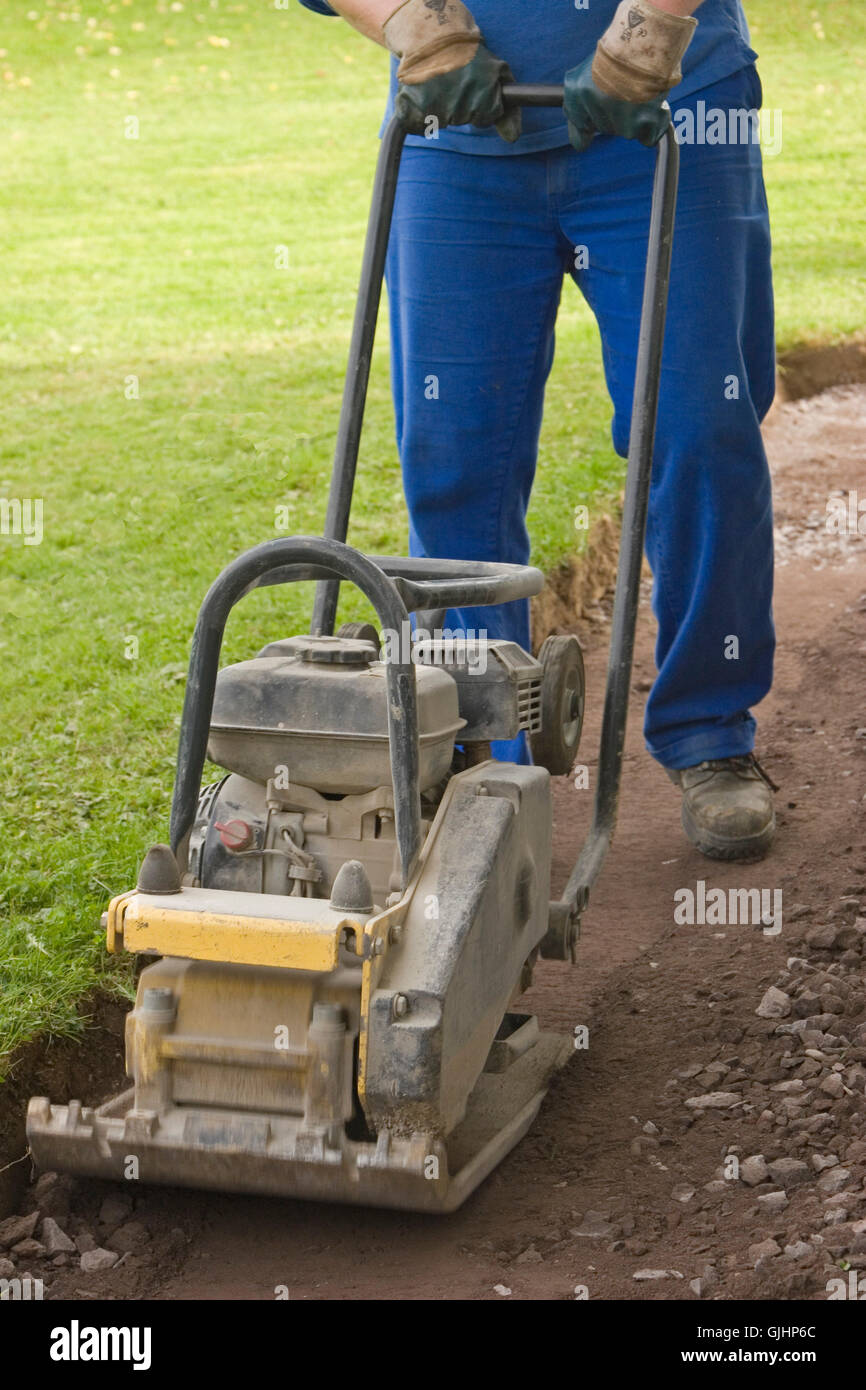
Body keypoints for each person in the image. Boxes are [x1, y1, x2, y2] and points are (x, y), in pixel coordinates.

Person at [297, 0, 778, 862]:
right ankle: (479, 753)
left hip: (670, 106)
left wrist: (654, 28)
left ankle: (710, 732)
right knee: (453, 457)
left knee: (697, 430)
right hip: (459, 130)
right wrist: (411, 20)